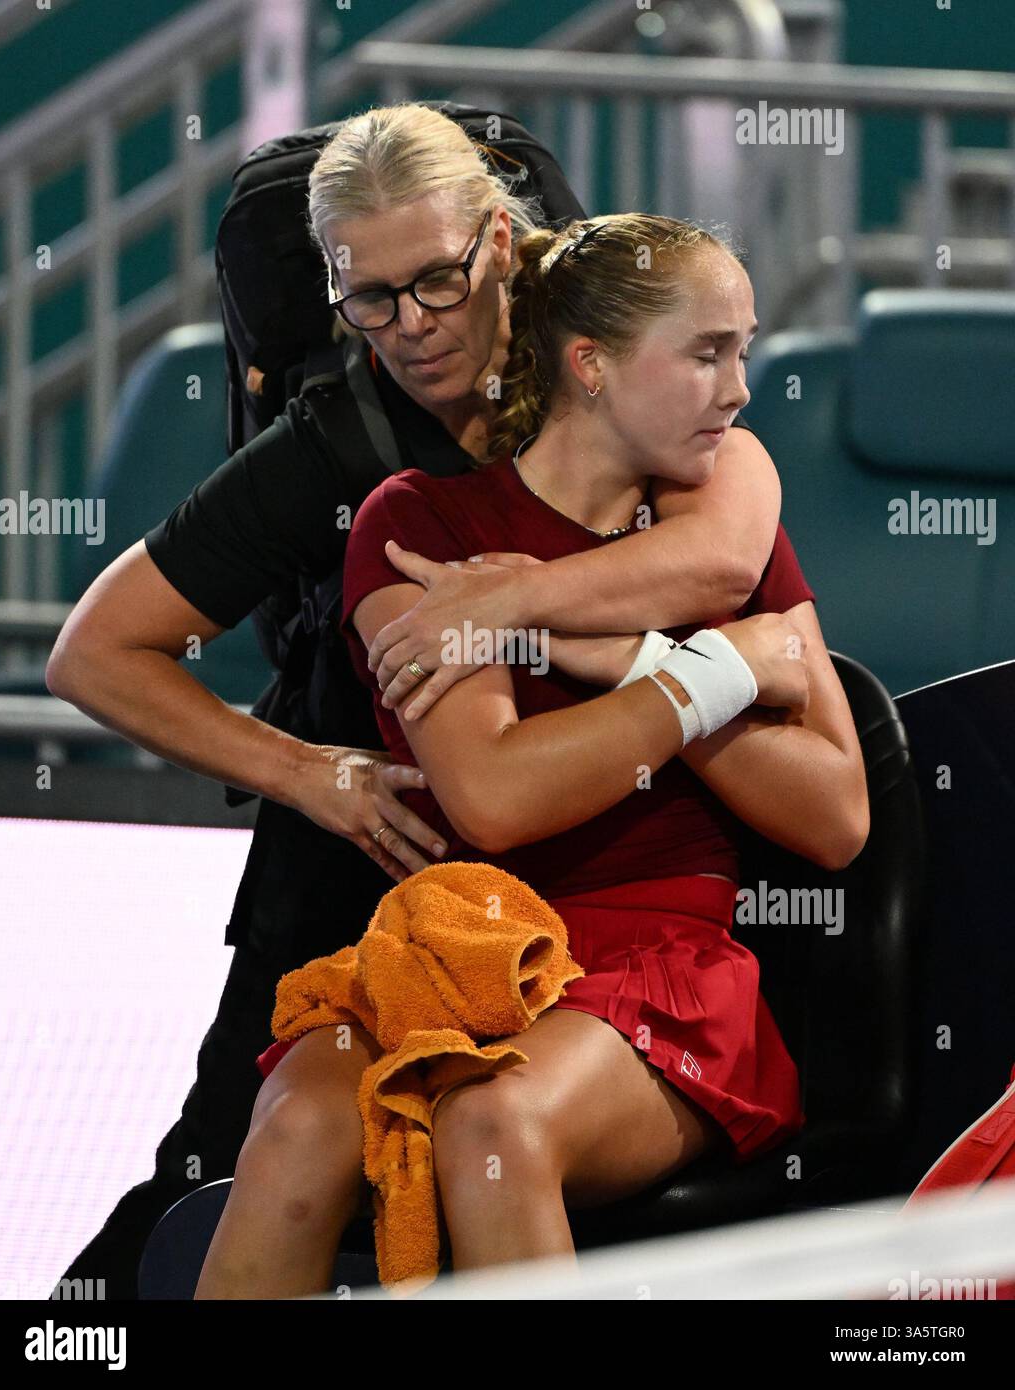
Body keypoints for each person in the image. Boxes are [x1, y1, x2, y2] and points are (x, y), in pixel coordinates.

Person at [46, 103, 783, 1300]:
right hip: (383, 845)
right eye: (370, 299)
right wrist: (306, 773)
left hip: (624, 873)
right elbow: (93, 652)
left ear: (500, 241)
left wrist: (507, 604)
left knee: (493, 1136)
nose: (411, 325)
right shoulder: (338, 444)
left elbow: (727, 548)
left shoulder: (602, 352)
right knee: (234, 1158)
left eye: (437, 279)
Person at [192, 211, 869, 1298]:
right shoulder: (419, 524)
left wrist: (608, 655)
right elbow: (497, 797)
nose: (739, 388)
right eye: (706, 353)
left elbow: (836, 814)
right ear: (590, 366)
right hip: (457, 954)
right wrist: (708, 677)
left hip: (662, 972)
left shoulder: (719, 521)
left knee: (490, 1118)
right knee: (294, 1127)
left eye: (742, 351)